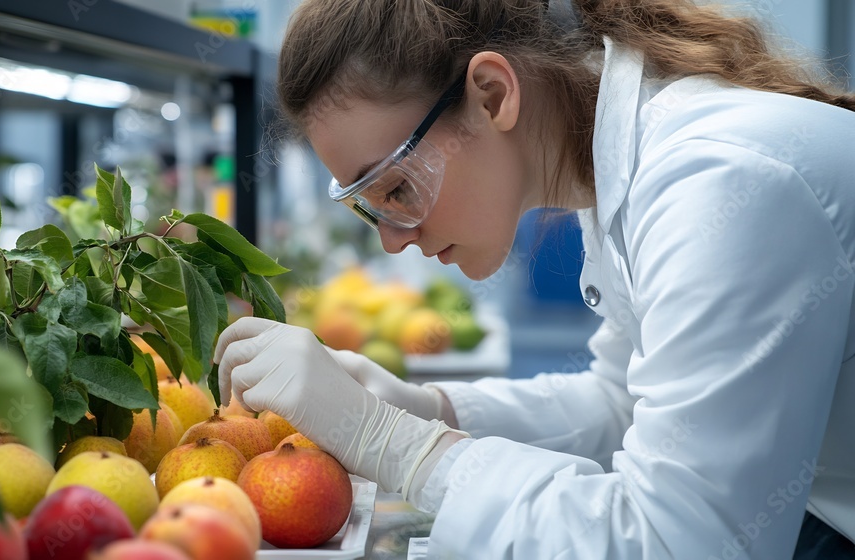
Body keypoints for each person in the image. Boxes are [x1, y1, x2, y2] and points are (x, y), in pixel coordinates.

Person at [214, 0, 855, 557]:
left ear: (493, 94)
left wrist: (395, 444)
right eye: (366, 204)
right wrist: (427, 409)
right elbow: (620, 404)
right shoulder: (613, 169)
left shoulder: (722, 182)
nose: (391, 236)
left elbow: (678, 544)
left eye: (398, 187)